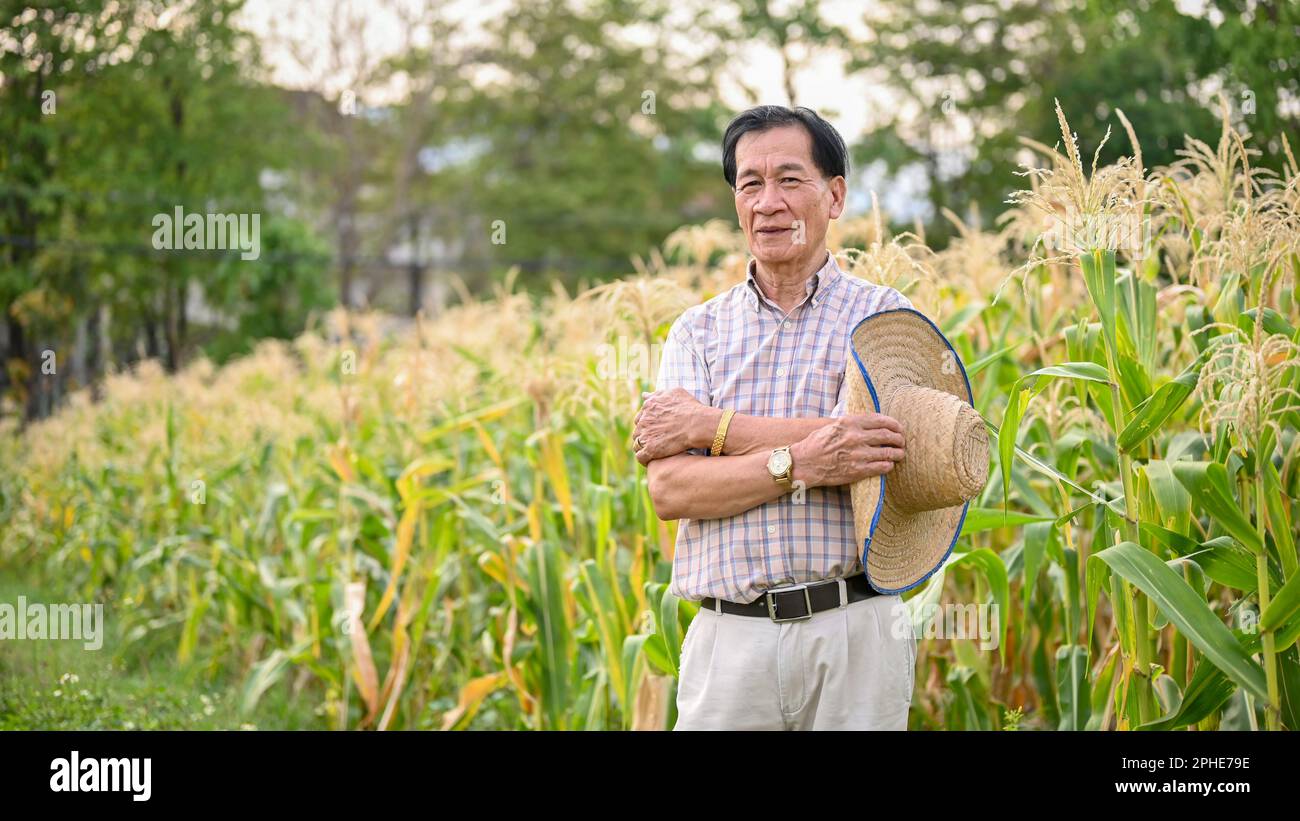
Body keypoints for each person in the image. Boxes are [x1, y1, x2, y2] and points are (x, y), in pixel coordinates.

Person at [633, 105, 917, 731]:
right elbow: (671, 489)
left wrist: (710, 429)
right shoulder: (697, 332)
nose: (768, 203)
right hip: (729, 642)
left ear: (834, 194)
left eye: (790, 180)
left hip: (854, 633)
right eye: (749, 184)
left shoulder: (885, 318)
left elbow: (883, 447)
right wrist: (808, 461)